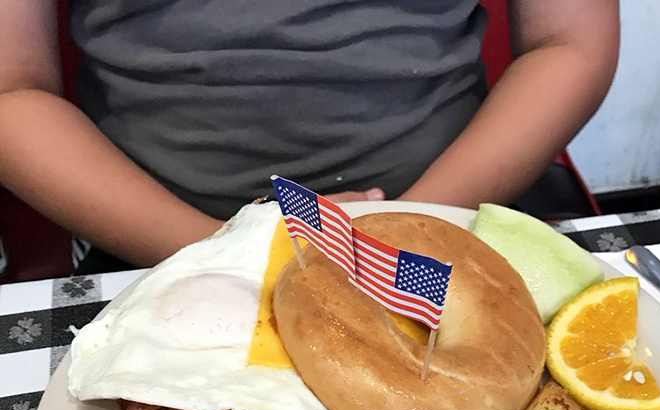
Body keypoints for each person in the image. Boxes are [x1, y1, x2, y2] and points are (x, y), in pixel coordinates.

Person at [0, 1, 619, 271]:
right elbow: (13, 89)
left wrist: (402, 232)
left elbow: (571, 42)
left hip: (457, 220)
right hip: (158, 246)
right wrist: (232, 256)